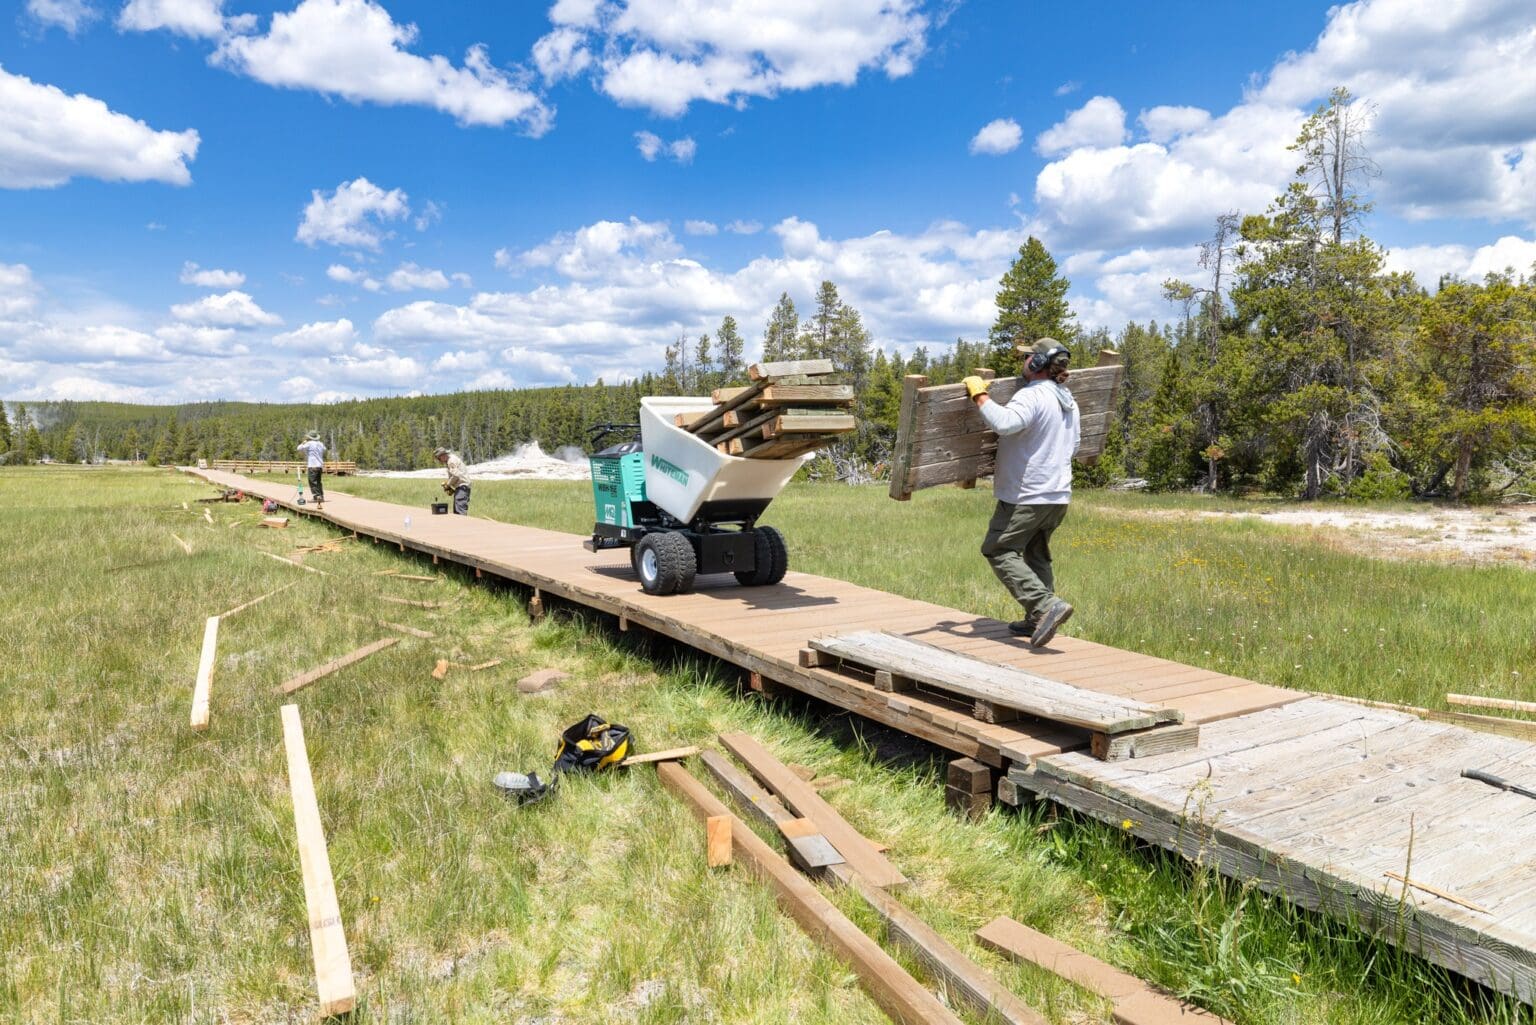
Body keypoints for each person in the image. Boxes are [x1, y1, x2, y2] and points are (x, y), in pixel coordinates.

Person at [963, 339, 1080, 647]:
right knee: (1036, 553)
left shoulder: (1032, 395)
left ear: (1037, 362)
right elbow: (1075, 445)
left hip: (1026, 494)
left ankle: (1044, 607)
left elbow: (1005, 423)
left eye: (1027, 357)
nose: (1023, 362)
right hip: (1056, 495)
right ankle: (1035, 619)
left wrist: (979, 394)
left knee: (998, 549)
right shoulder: (1066, 398)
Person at [435, 447, 471, 514]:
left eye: (439, 458)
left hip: (462, 488)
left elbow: (455, 475)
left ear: (442, 456)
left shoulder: (451, 461)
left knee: (460, 512)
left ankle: (463, 524)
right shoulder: (452, 458)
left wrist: (448, 485)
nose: (439, 460)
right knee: (457, 512)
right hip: (461, 487)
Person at [296, 430, 326, 508]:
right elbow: (324, 449)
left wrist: (303, 442)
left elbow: (299, 448)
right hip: (320, 465)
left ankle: (317, 497)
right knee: (318, 482)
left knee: (312, 481)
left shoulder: (309, 443)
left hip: (312, 465)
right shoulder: (320, 444)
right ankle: (321, 495)